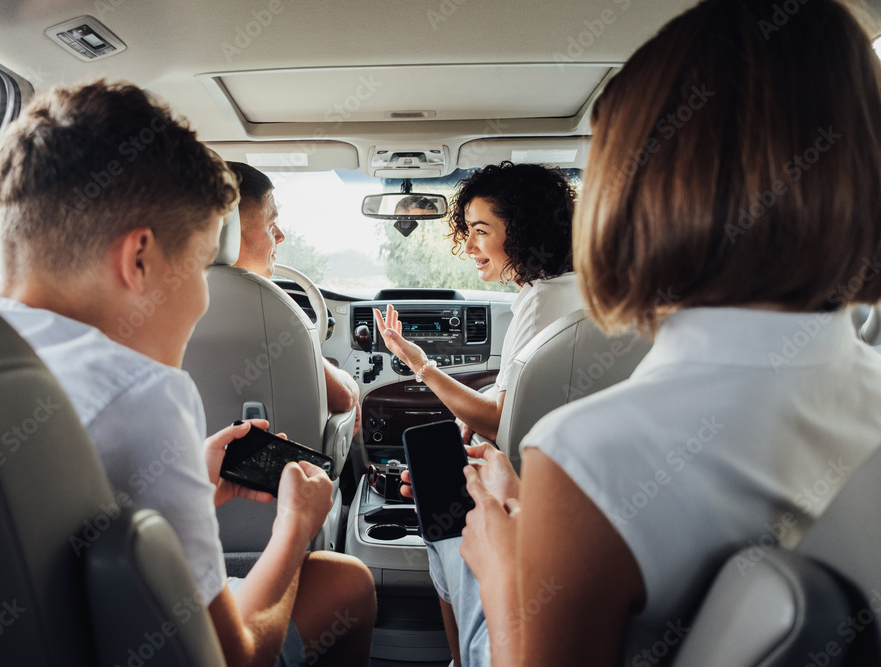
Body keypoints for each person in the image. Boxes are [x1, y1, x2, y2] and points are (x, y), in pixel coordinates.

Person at [381, 0, 881, 664]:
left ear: (641, 195)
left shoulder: (589, 452)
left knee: (458, 538)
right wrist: (552, 512)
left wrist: (502, 563)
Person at [0, 81, 375, 667]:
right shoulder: (143, 392)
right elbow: (232, 659)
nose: (202, 299)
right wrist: (295, 528)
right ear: (138, 259)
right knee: (349, 582)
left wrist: (188, 473)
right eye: (199, 268)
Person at [375, 162, 581, 443]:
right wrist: (469, 413)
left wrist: (418, 362)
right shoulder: (572, 287)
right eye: (469, 230)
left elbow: (498, 422)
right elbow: (506, 397)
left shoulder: (540, 303)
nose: (469, 246)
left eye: (481, 231)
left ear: (526, 232)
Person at [228, 162, 361, 433]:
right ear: (232, 235)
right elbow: (344, 396)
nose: (281, 235)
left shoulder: (170, 302)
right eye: (271, 224)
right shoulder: (273, 309)